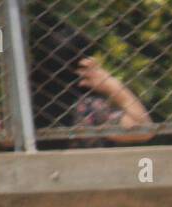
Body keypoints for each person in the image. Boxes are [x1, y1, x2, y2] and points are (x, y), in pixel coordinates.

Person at [28, 16, 153, 146]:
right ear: (83, 65)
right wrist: (110, 84)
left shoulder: (23, 104)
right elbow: (144, 128)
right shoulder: (89, 109)